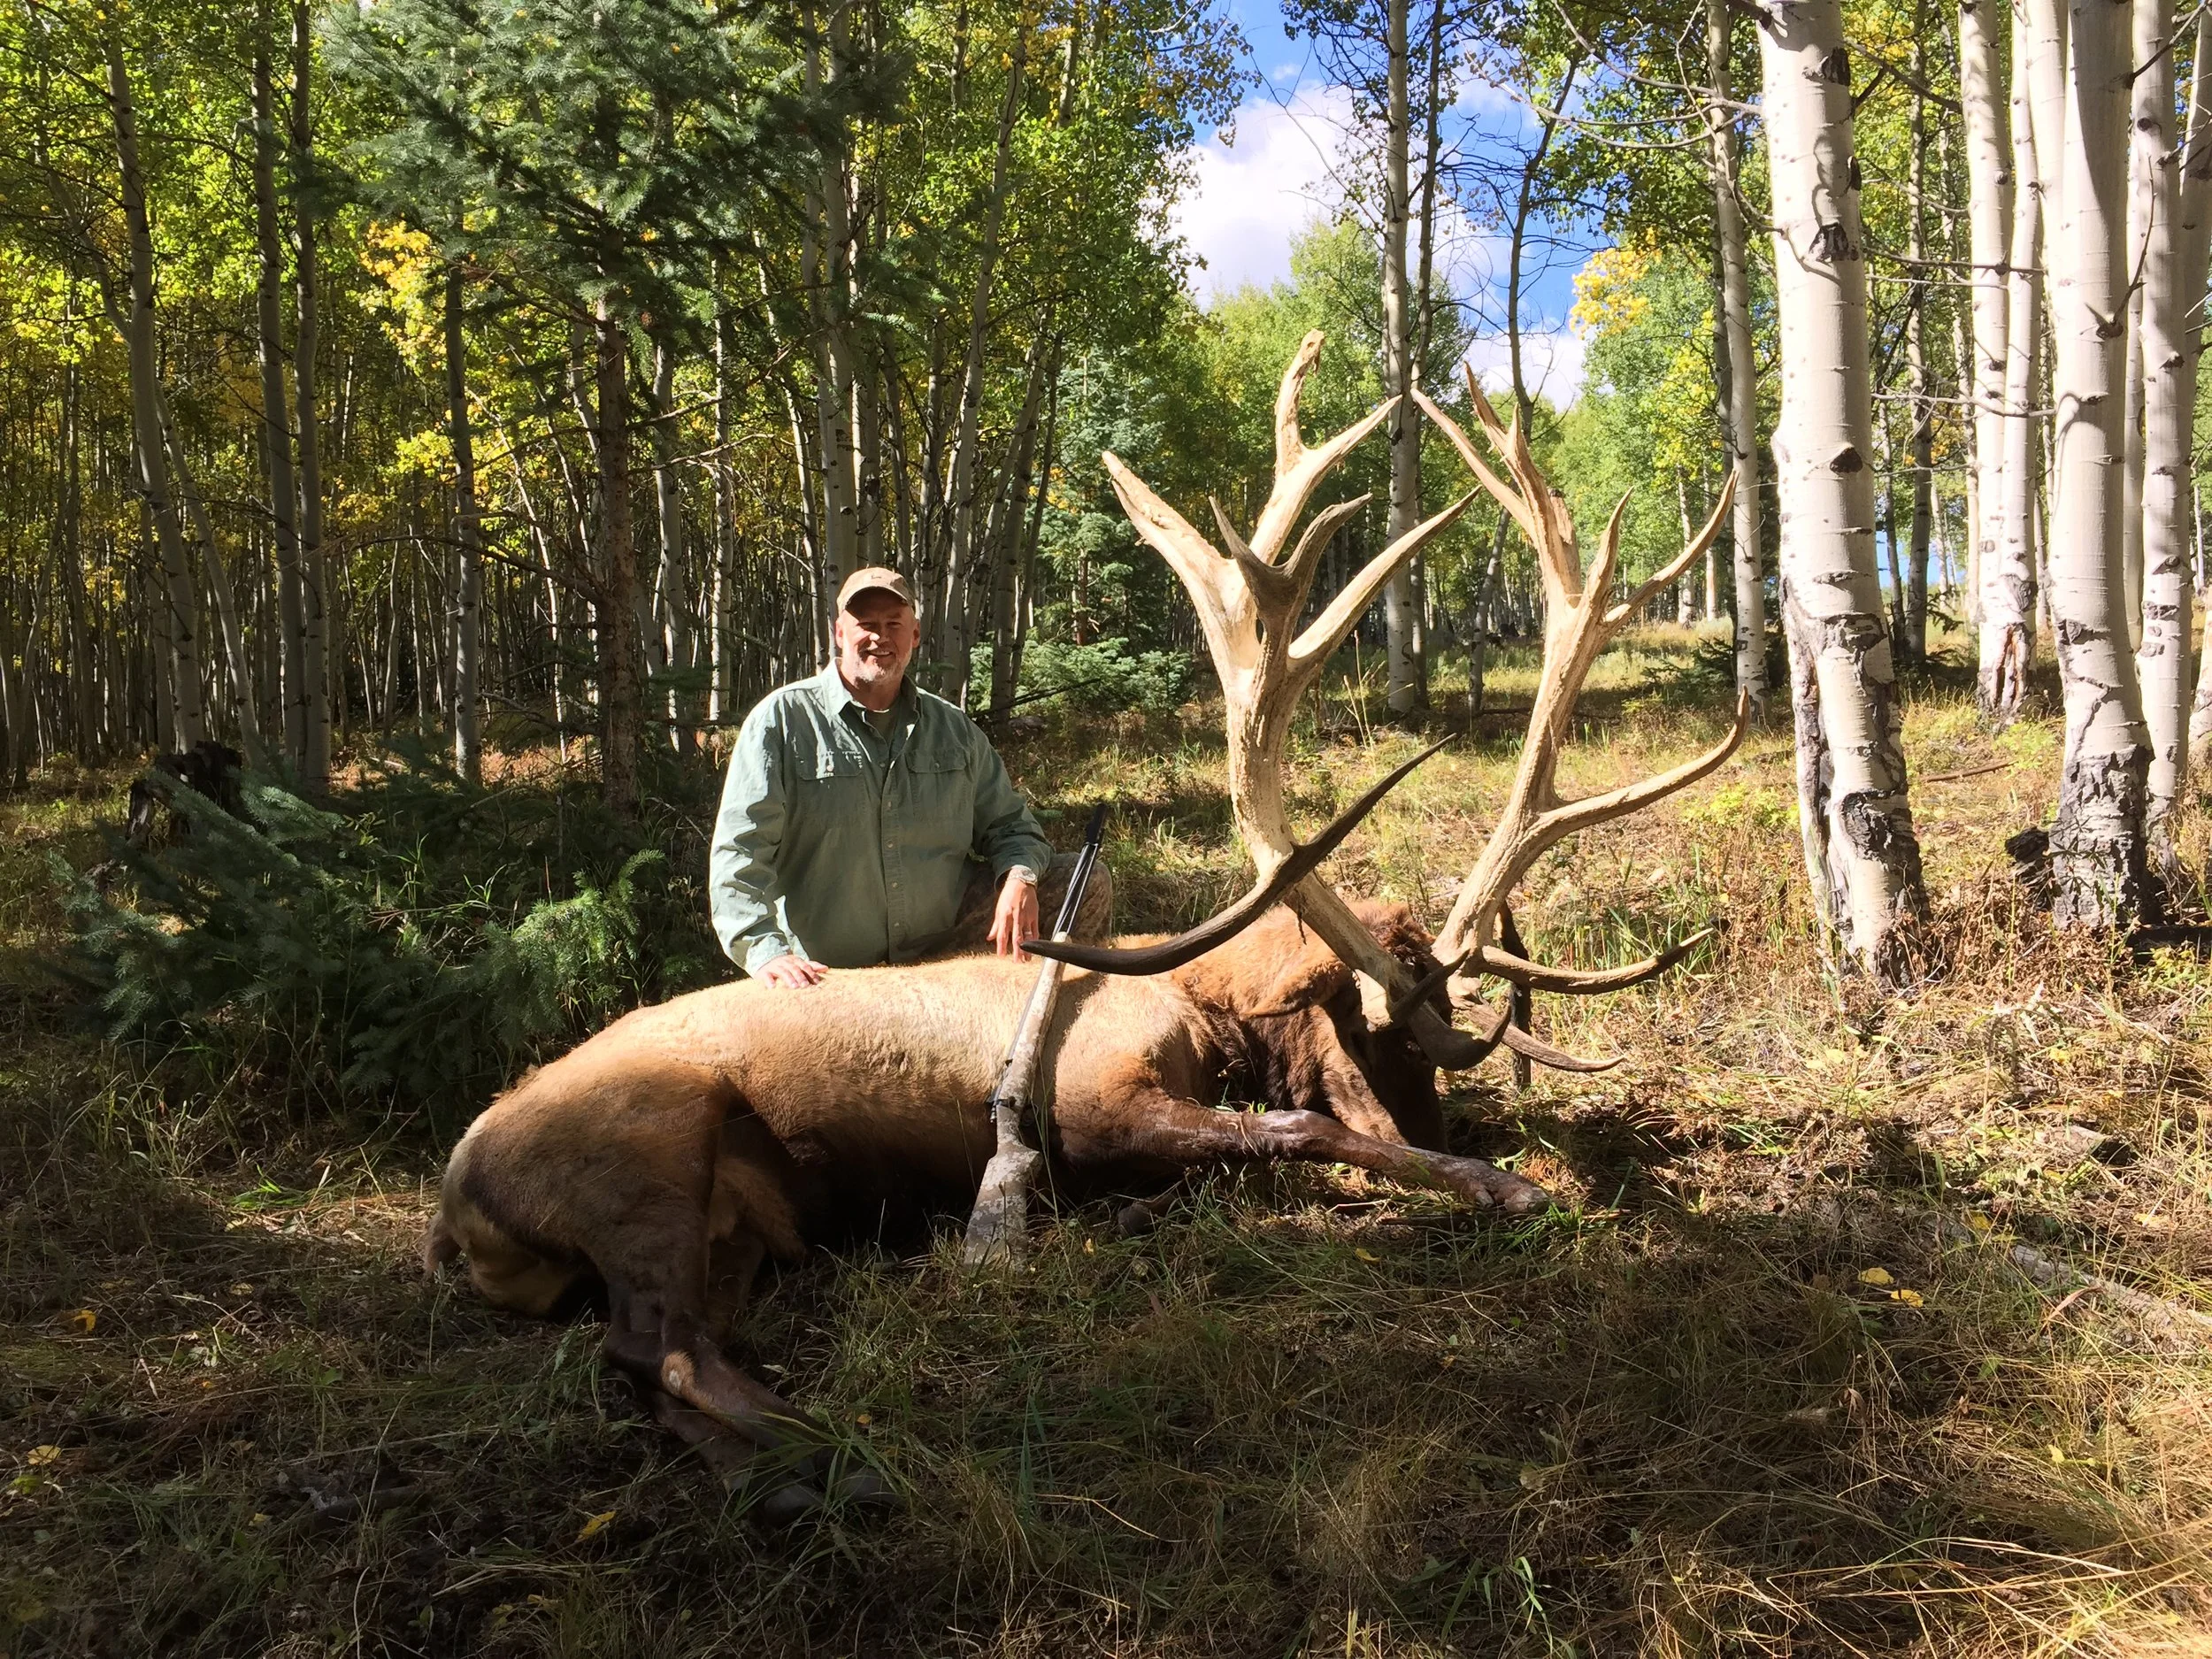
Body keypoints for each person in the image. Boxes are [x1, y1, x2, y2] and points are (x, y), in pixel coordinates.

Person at [710, 567, 1108, 987]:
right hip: (832, 970)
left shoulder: (953, 729)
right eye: (866, 624)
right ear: (839, 633)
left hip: (942, 948)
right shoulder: (783, 721)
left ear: (914, 635)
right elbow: (740, 851)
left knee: (1085, 880)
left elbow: (1011, 827)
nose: (880, 637)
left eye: (893, 625)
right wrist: (765, 952)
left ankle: (1059, 1021)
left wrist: (1019, 877)